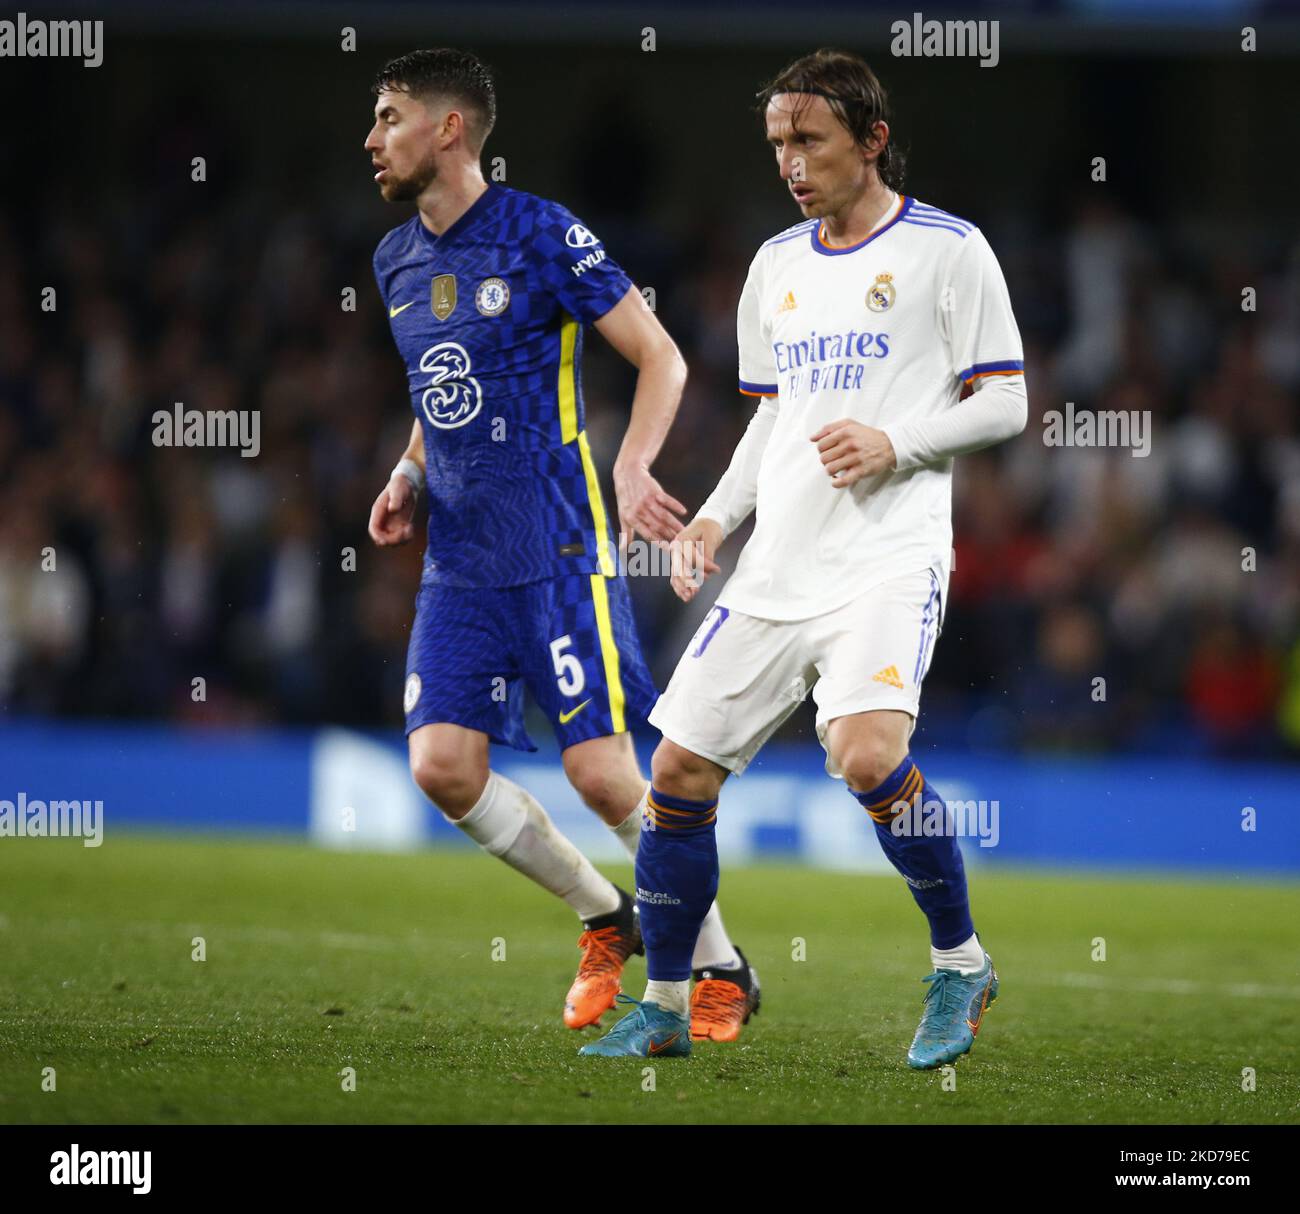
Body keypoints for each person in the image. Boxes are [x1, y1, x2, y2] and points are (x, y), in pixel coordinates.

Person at [581, 48, 1025, 1066]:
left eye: (808, 139)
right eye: (777, 142)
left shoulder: (949, 251)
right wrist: (713, 522)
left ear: (871, 139)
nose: (789, 160)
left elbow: (1006, 399)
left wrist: (896, 441)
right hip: (778, 564)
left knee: (865, 753)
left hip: (886, 556)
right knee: (679, 773)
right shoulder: (775, 264)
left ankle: (960, 963)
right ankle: (666, 999)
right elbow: (775, 419)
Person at [364, 48, 758, 1039]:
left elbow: (659, 356)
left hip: (558, 541)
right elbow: (439, 390)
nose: (370, 139)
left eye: (388, 117)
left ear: (449, 129)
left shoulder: (540, 233)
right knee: (441, 766)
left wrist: (632, 467)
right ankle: (606, 911)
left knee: (598, 769)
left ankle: (722, 963)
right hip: (459, 558)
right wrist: (409, 472)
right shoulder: (393, 260)